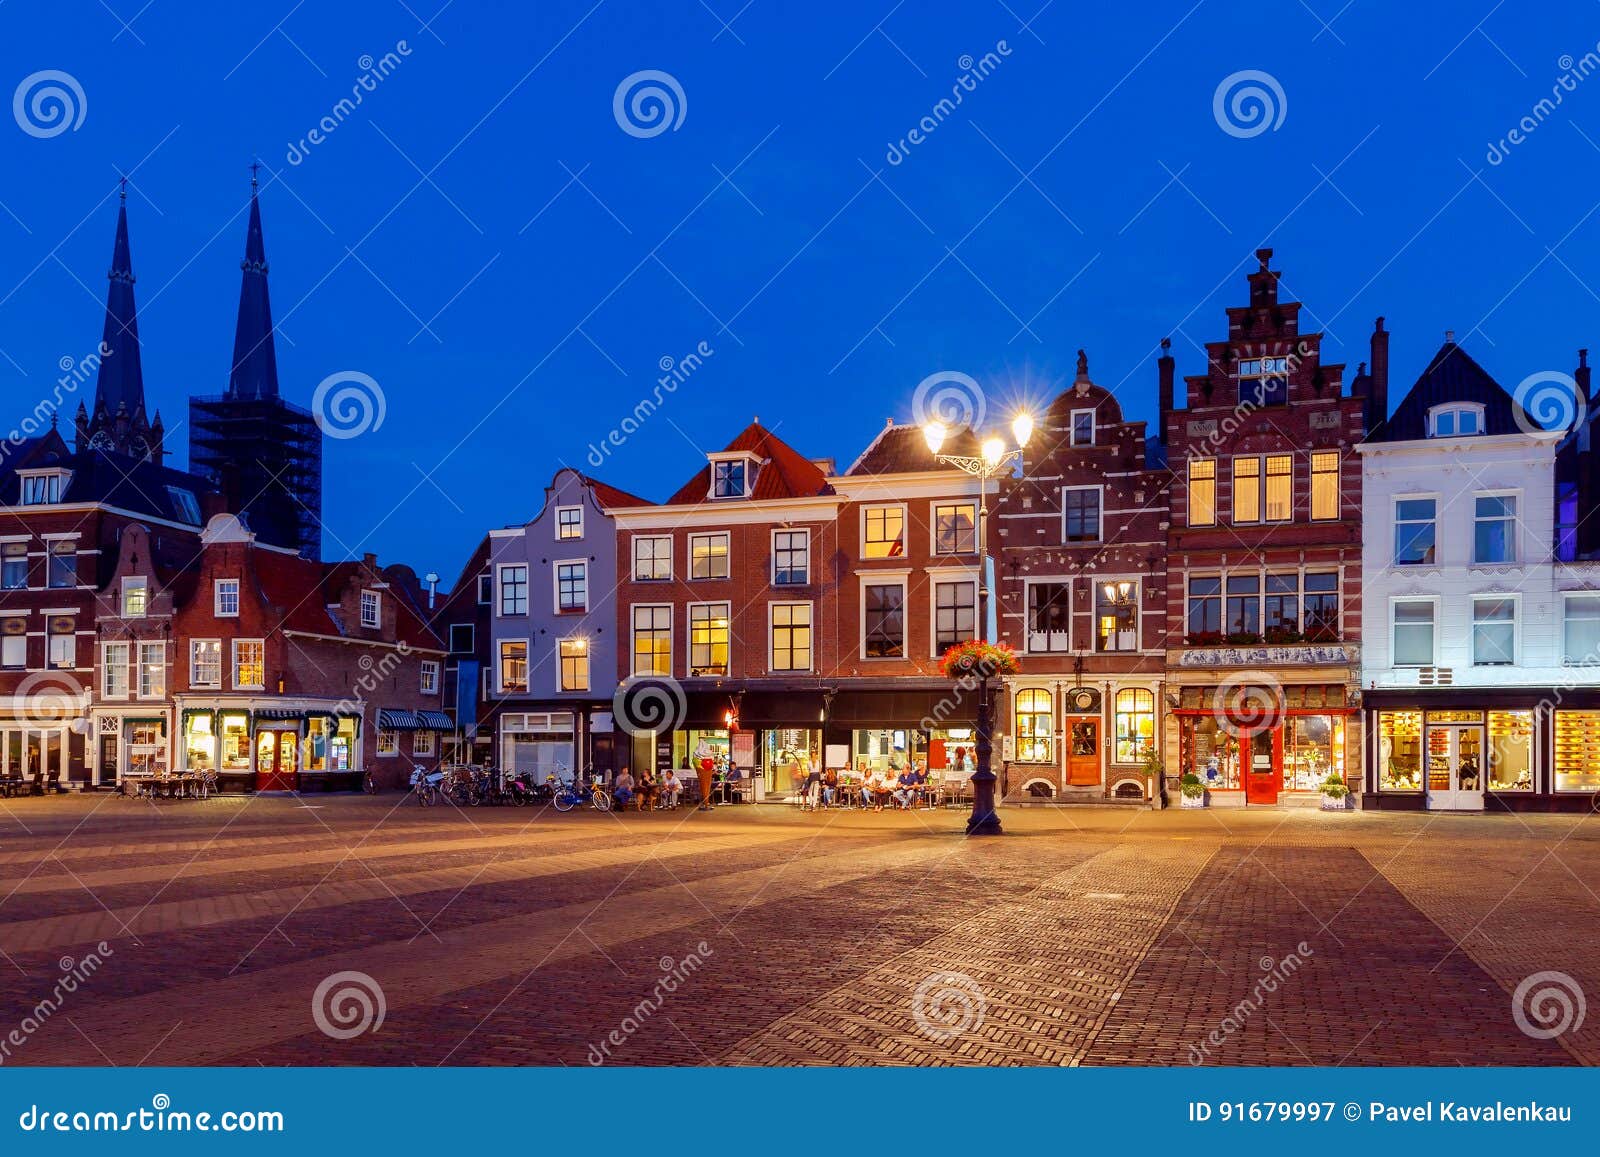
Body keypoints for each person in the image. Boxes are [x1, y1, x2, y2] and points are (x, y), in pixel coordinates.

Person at [693, 738, 715, 811]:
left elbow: (695, 759)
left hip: (703, 765)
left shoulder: (697, 754)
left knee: (704, 786)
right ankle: (706, 803)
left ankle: (706, 803)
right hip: (702, 765)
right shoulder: (701, 755)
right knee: (705, 786)